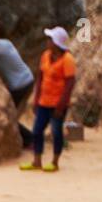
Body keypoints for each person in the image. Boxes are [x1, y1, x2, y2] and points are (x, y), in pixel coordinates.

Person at [21, 26, 76, 172]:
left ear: (56, 43)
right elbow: (40, 77)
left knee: (56, 131)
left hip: (58, 103)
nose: (47, 42)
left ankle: (55, 162)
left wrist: (61, 105)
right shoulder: (45, 55)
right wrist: (36, 97)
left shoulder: (67, 60)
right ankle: (37, 161)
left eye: (50, 39)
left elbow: (70, 84)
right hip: (44, 101)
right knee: (37, 130)